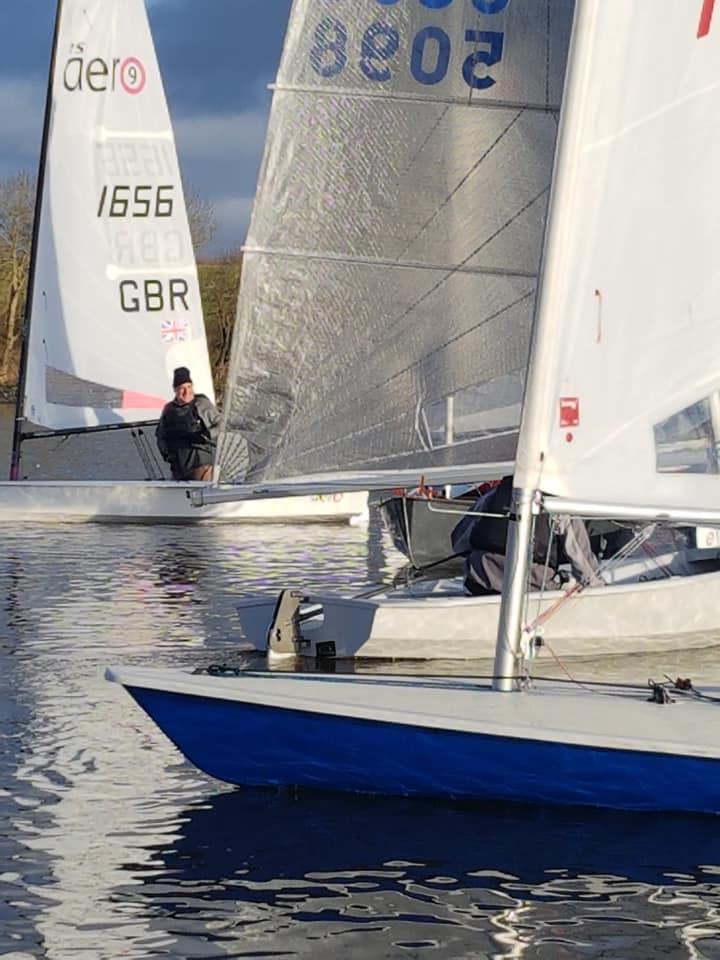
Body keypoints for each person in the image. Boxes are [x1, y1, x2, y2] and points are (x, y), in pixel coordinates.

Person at [452, 476, 604, 596]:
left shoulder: (493, 495)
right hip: (530, 591)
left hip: (479, 586)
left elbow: (458, 543)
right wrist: (597, 588)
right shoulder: (556, 503)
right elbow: (579, 555)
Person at [155, 367, 220, 482]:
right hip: (178, 470)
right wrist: (166, 454)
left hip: (201, 468)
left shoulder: (201, 404)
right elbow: (160, 435)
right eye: (182, 388)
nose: (186, 392)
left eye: (189, 387)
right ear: (175, 390)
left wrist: (206, 435)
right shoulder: (169, 409)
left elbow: (221, 424)